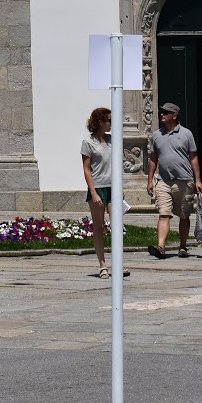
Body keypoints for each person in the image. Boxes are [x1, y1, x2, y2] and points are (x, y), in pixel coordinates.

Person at [145, 102, 202, 259]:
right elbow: (153, 159)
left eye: (166, 112)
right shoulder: (156, 135)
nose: (162, 114)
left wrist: (198, 180)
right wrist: (150, 180)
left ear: (174, 116)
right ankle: (161, 247)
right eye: (161, 112)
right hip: (163, 181)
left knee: (184, 215)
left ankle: (183, 246)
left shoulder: (186, 134)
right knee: (163, 213)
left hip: (184, 181)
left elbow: (194, 158)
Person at [81, 107, 128, 279]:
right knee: (99, 227)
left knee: (116, 226)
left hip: (113, 186)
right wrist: (93, 192)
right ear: (100, 122)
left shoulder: (113, 140)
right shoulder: (88, 143)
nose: (111, 123)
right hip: (98, 187)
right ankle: (102, 265)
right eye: (109, 120)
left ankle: (118, 263)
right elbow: (86, 169)